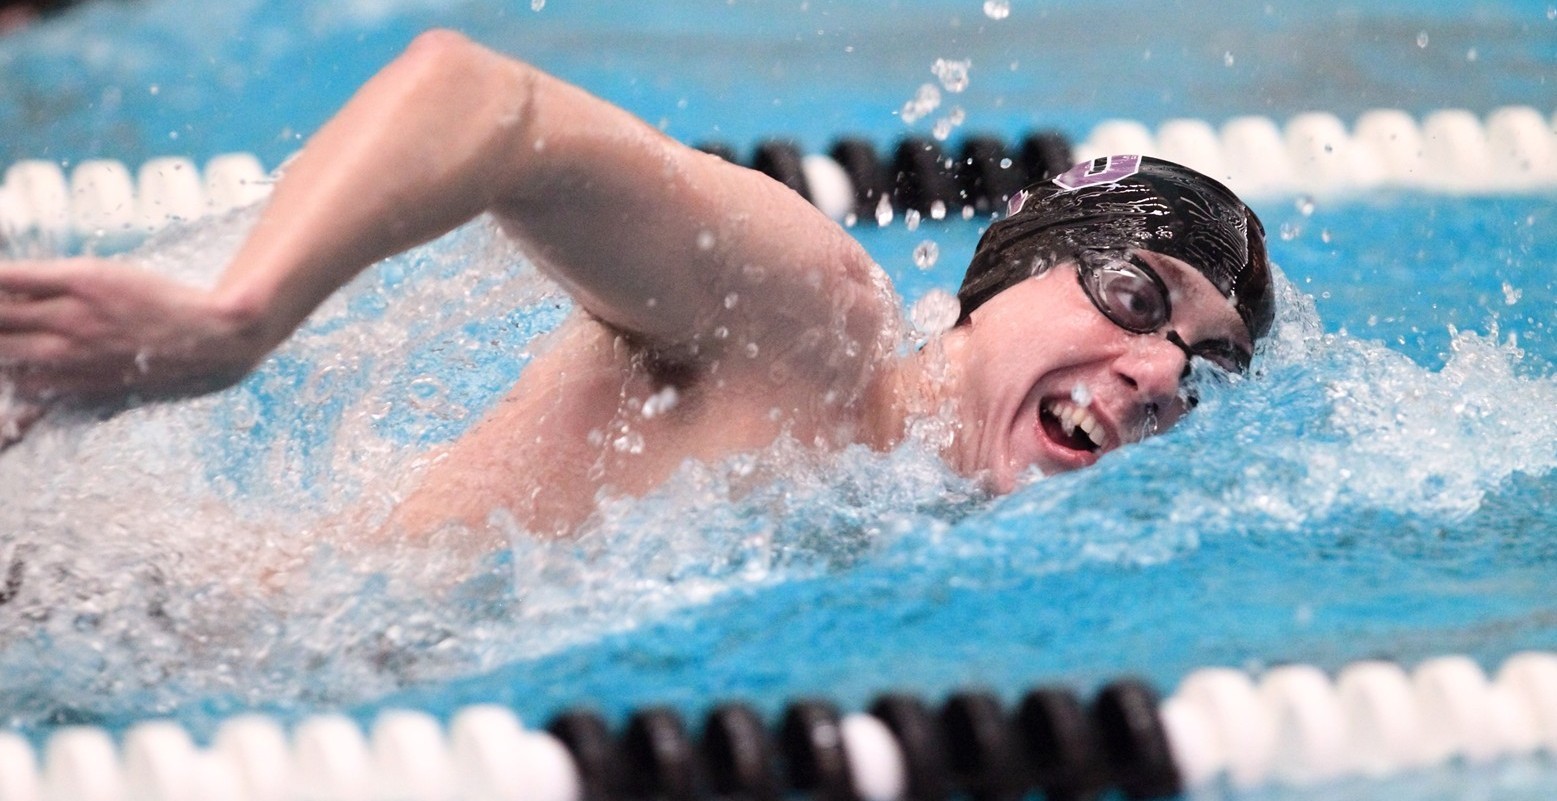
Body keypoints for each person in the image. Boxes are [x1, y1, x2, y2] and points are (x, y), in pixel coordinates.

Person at [0, 30, 1272, 546]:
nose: (1159, 369)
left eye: (1196, 367)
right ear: (999, 274)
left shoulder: (920, 521)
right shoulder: (811, 323)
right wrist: (239, 322)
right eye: (1134, 292)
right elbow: (477, 97)